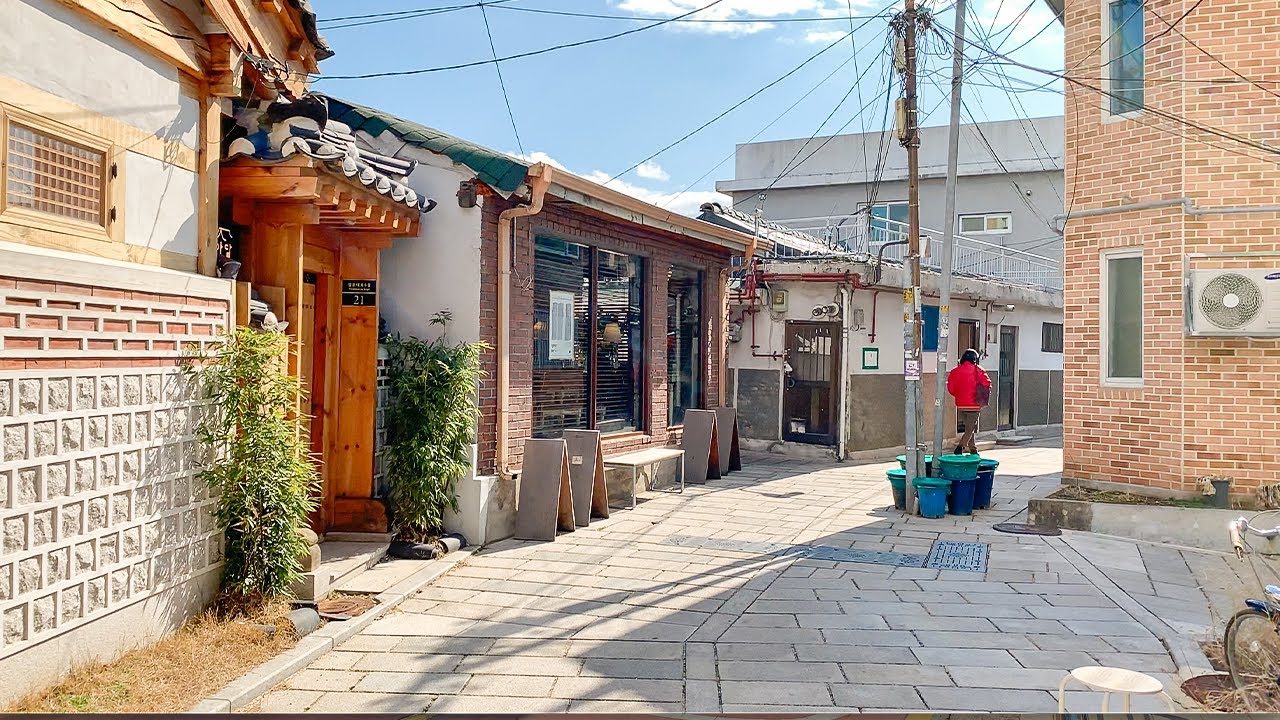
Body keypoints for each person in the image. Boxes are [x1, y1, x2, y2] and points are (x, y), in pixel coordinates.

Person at [946, 348, 992, 454]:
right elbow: (987, 383)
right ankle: (960, 447)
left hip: (961, 404)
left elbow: (951, 388)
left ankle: (973, 449)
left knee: (969, 428)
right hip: (974, 404)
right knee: (970, 428)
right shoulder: (978, 370)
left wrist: (959, 395)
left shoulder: (955, 371)